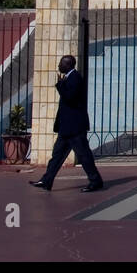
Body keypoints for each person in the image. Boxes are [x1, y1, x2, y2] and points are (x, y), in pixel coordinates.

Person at [29, 55, 105, 193]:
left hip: (75, 127)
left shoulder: (75, 78)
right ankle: (46, 181)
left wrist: (59, 84)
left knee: (84, 155)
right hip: (67, 128)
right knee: (57, 155)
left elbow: (70, 98)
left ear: (68, 65)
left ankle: (96, 181)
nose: (59, 66)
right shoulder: (70, 78)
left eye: (61, 64)